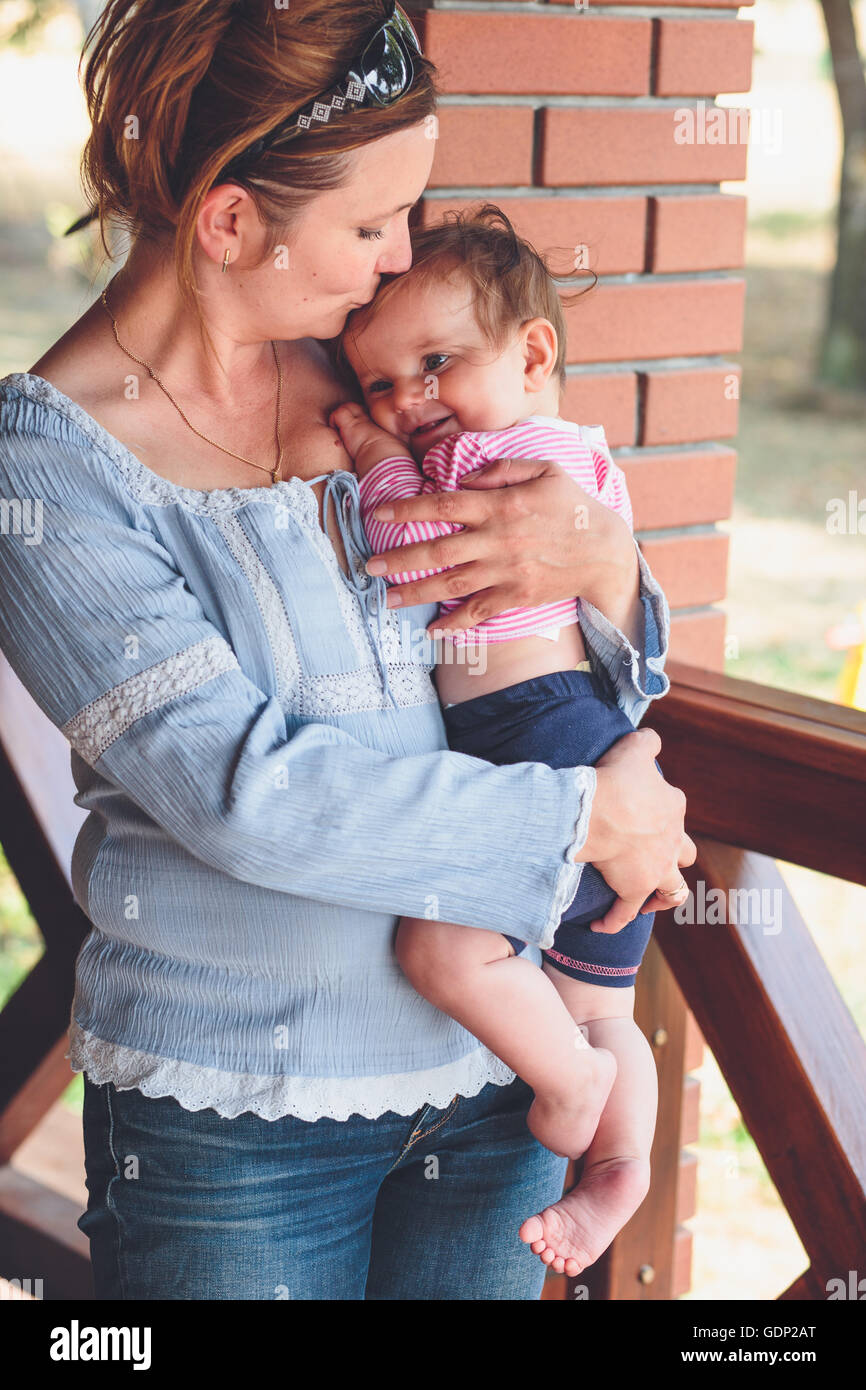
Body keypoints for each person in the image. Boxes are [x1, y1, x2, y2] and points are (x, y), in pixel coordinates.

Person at [0, 0, 693, 1299]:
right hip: (238, 1125)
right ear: (228, 221)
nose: (393, 258)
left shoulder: (386, 370)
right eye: (370, 223)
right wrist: (577, 816)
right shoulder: (47, 465)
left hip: (504, 1080)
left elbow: (582, 626)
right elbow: (239, 791)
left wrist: (599, 559)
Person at [330, 204, 667, 1278]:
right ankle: (619, 1165)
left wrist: (369, 451)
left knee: (439, 949)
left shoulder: (514, 457)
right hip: (559, 737)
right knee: (597, 996)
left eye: (434, 364)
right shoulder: (569, 464)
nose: (407, 401)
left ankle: (568, 1084)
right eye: (380, 383)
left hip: (539, 736)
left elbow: (413, 534)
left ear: (532, 355)